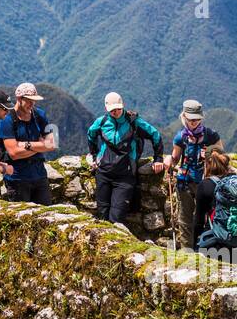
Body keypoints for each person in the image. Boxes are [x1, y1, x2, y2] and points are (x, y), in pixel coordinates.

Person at [86, 92, 164, 223]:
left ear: (122, 106)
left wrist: (158, 159)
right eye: (112, 110)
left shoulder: (134, 122)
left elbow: (155, 135)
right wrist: (94, 156)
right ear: (107, 109)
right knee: (102, 215)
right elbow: (90, 135)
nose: (115, 112)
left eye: (118, 109)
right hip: (103, 173)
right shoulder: (102, 122)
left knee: (116, 218)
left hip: (125, 177)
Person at [167, 99, 223, 248]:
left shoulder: (211, 136)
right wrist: (169, 160)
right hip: (184, 182)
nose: (194, 122)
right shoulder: (181, 137)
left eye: (197, 119)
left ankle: (204, 247)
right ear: (184, 117)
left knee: (205, 216)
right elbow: (175, 158)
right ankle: (187, 249)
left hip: (206, 183)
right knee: (185, 217)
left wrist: (210, 155)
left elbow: (222, 157)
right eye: (191, 119)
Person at [0, 82, 57, 204]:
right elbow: (13, 153)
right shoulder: (7, 120)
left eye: (34, 101)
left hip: (40, 176)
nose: (32, 104)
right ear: (19, 99)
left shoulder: (40, 115)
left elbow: (52, 144)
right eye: (29, 100)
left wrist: (26, 145)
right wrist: (41, 145)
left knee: (45, 216)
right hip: (17, 179)